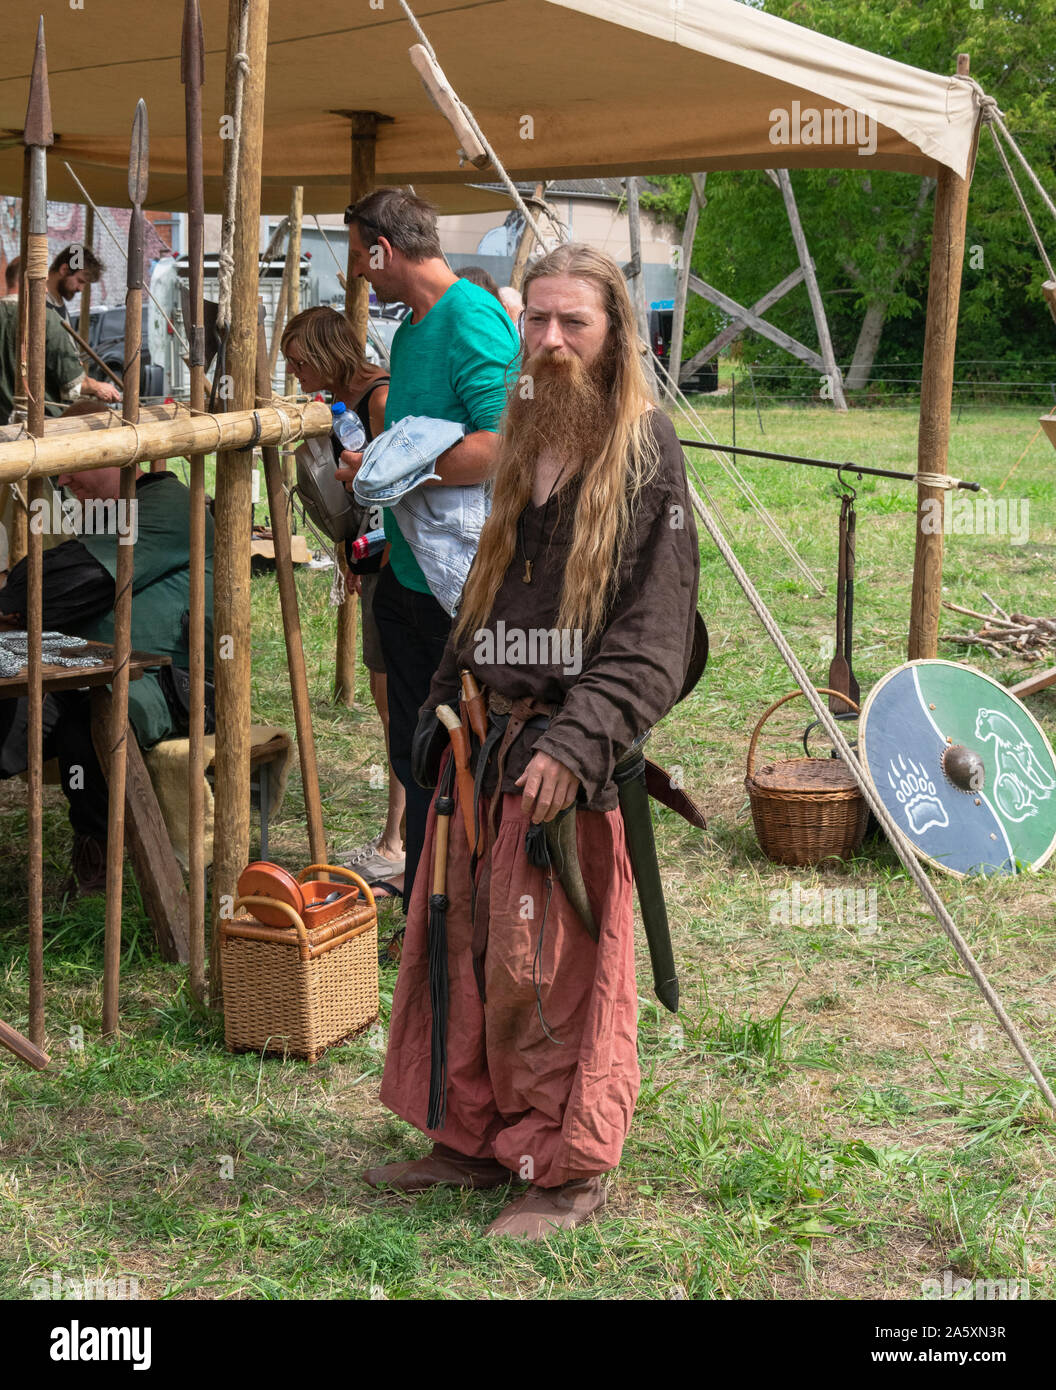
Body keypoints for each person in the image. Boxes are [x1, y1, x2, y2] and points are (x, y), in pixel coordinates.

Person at [364, 244, 702, 1239]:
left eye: (575, 324)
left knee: (546, 968)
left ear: (613, 340)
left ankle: (566, 1167)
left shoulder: (643, 449)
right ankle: (471, 1138)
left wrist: (580, 739)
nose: (551, 341)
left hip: (563, 760)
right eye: (538, 321)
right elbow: (481, 593)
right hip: (482, 749)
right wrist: (436, 712)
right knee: (462, 946)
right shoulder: (521, 434)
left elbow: (658, 627)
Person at [340, 187, 519, 914]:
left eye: (360, 256)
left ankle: (473, 915)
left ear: (384, 248)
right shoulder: (411, 331)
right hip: (411, 582)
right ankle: (424, 918)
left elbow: (506, 443)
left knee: (469, 761)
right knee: (419, 760)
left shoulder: (472, 317)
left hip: (466, 591)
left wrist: (396, 470)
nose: (359, 273)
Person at [0, 442, 215, 893]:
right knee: (15, 710)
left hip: (172, 687)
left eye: (72, 467)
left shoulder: (168, 506)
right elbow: (47, 589)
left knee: (89, 715)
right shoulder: (105, 512)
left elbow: (59, 583)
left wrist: (28, 597)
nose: (61, 482)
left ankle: (102, 867)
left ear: (116, 456)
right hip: (87, 671)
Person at [280, 305, 405, 896]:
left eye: (300, 360)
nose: (295, 371)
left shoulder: (377, 398)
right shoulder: (339, 399)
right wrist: (353, 554)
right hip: (373, 559)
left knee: (396, 702)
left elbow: (391, 488)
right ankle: (398, 836)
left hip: (396, 563)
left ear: (327, 352)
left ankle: (397, 842)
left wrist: (372, 554)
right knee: (390, 701)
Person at [46, 244, 104, 324]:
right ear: (64, 270)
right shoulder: (37, 302)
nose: (81, 289)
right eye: (80, 281)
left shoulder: (57, 301)